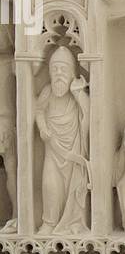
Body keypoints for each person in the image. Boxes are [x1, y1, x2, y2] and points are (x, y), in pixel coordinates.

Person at [35, 44, 90, 234]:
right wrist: (42, 128)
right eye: (54, 69)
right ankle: (49, 223)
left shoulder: (78, 95)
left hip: (73, 152)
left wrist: (78, 94)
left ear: (72, 72)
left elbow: (88, 116)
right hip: (52, 149)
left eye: (63, 69)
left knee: (73, 188)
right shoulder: (48, 92)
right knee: (50, 185)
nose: (59, 73)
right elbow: (39, 110)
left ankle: (73, 222)